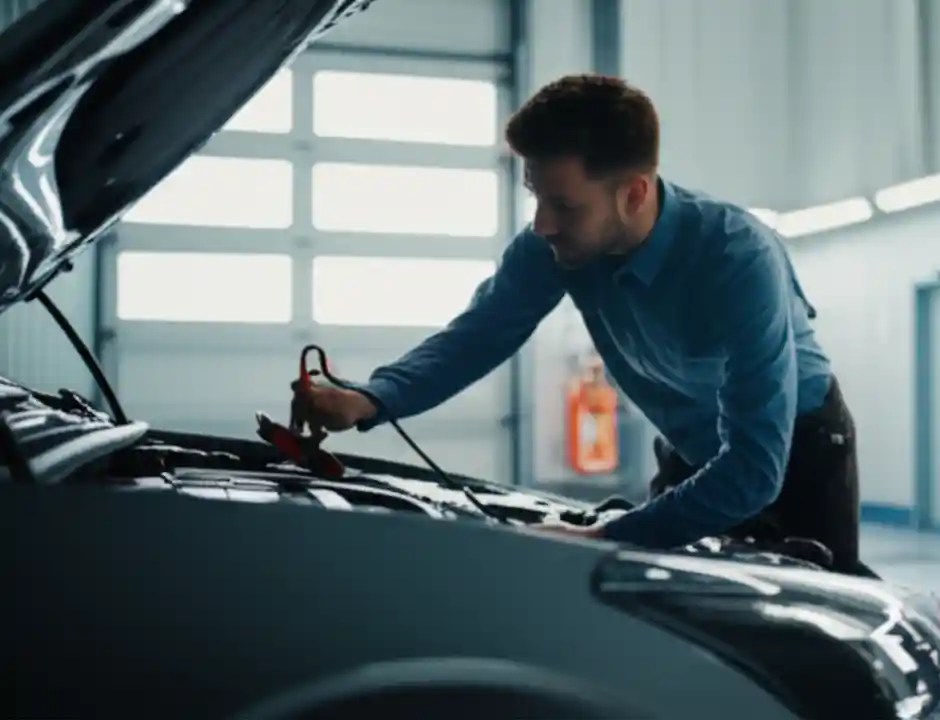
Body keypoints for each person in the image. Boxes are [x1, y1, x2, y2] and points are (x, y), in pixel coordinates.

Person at [293, 74, 863, 572]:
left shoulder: (737, 257)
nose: (542, 224)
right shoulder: (552, 247)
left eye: (563, 205)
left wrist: (606, 535)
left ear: (634, 193)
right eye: (535, 197)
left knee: (818, 637)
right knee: (667, 617)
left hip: (796, 451)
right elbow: (478, 336)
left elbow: (753, 470)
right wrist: (369, 399)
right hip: (692, 447)